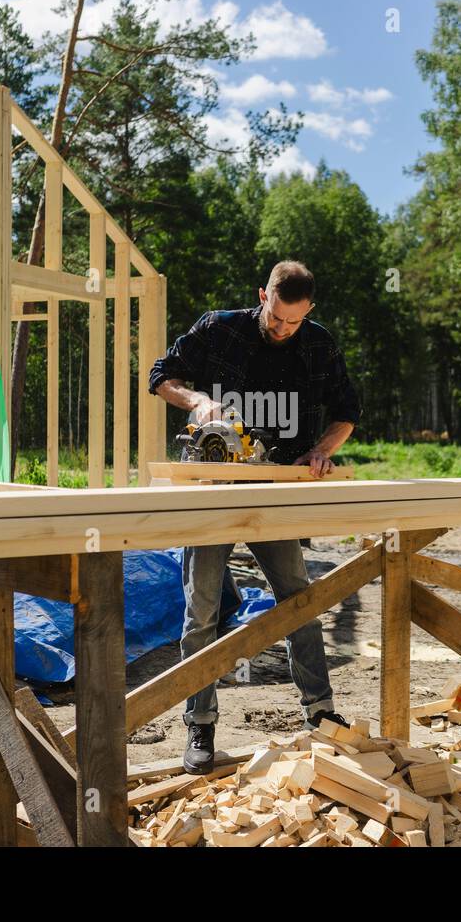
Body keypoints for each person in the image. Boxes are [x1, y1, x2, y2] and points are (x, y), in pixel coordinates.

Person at [148, 260, 361, 773]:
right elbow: (161, 377)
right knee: (201, 611)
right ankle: (199, 726)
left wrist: (321, 450)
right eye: (277, 317)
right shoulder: (220, 329)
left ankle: (321, 713)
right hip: (213, 490)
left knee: (299, 602)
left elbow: (347, 411)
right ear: (261, 295)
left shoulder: (317, 343)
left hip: (275, 490)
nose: (285, 329)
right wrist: (198, 400)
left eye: (295, 321)